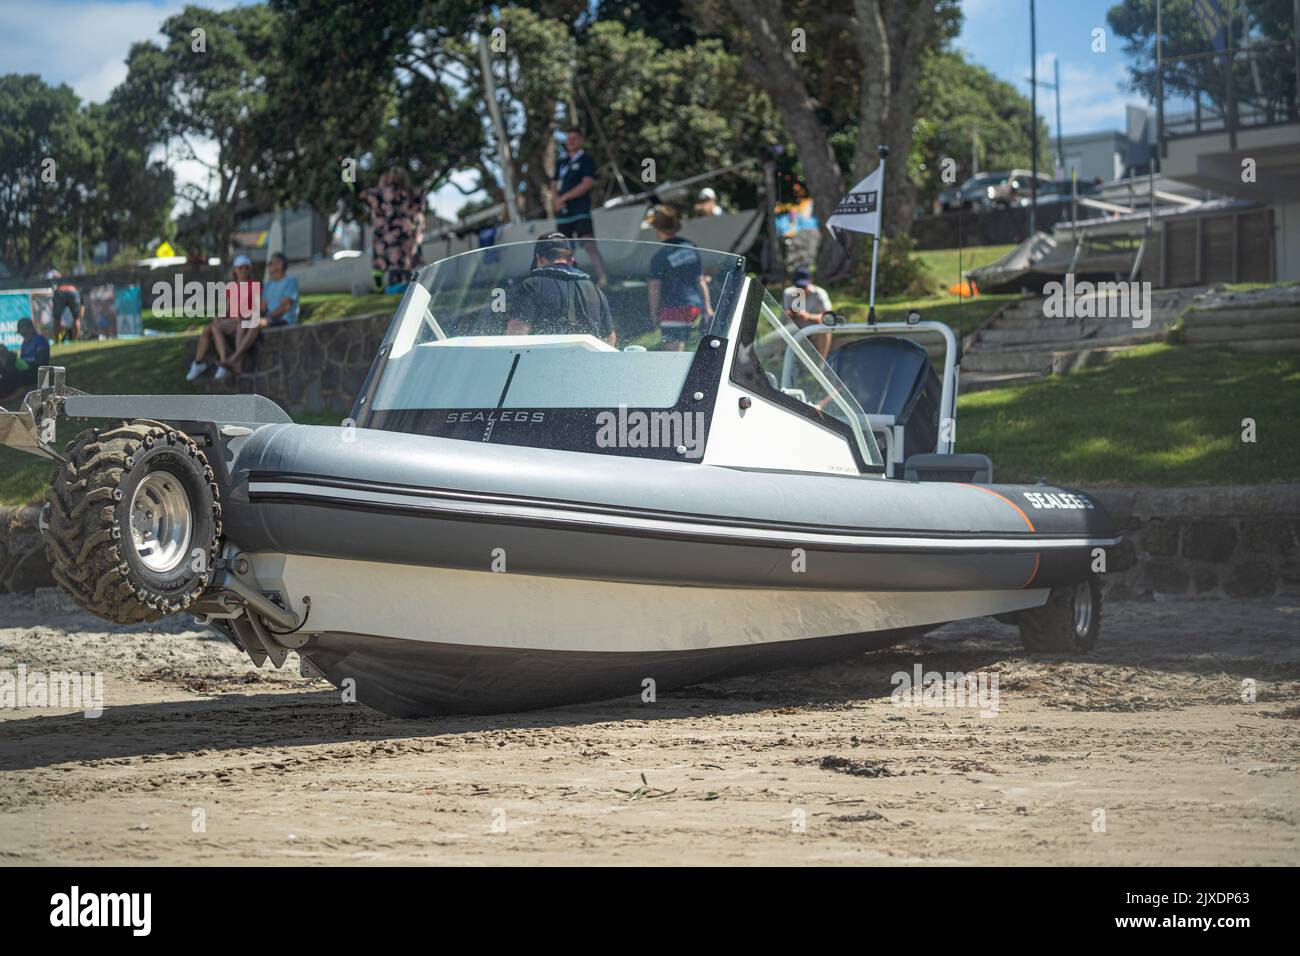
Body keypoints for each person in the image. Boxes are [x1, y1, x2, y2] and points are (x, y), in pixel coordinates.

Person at [509, 233, 615, 345]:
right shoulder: (595, 290)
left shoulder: (531, 286)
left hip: (544, 361)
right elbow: (609, 338)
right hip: (588, 361)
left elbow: (517, 335)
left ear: (539, 258)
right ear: (570, 260)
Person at [646, 205, 711, 352]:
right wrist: (707, 309)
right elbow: (700, 280)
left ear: (658, 229)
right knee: (680, 346)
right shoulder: (690, 246)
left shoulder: (660, 256)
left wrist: (654, 313)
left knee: (672, 355)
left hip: (673, 308)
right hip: (694, 307)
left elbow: (654, 287)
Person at [187, 255, 257, 382]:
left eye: (246, 268)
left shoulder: (253, 286)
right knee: (207, 329)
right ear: (235, 270)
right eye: (240, 268)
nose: (243, 271)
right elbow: (228, 309)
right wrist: (219, 317)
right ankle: (198, 363)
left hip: (240, 320)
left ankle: (223, 362)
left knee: (216, 328)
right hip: (231, 320)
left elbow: (253, 309)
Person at [224, 252, 299, 370]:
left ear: (280, 265)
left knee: (255, 323)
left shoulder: (290, 282)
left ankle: (235, 358)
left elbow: (285, 307)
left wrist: (265, 317)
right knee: (242, 324)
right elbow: (262, 307)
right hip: (269, 318)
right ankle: (238, 363)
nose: (268, 266)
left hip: (284, 319)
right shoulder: (269, 285)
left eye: (271, 263)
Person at [553, 129, 608, 287]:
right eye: (568, 139)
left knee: (589, 243)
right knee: (564, 248)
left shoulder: (586, 159)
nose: (571, 141)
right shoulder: (561, 162)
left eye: (574, 138)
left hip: (580, 209)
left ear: (581, 140)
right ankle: (564, 280)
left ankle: (603, 278)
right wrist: (556, 200)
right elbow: (553, 183)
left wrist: (564, 197)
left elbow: (586, 184)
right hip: (563, 212)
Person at [364, 167, 426, 291]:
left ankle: (396, 289)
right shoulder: (413, 192)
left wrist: (346, 165)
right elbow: (419, 209)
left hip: (391, 235)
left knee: (396, 265)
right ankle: (407, 290)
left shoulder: (383, 193)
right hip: (406, 233)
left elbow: (366, 196)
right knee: (405, 265)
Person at [782, 266, 833, 359]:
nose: (801, 289)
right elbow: (786, 314)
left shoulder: (820, 294)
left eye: (803, 286)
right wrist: (792, 314)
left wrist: (808, 316)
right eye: (798, 286)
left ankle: (821, 363)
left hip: (814, 330)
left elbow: (828, 317)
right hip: (794, 329)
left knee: (826, 330)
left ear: (810, 281)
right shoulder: (788, 293)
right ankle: (783, 361)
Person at [0, 318, 51, 401]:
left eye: (22, 332)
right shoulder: (25, 343)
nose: (22, 335)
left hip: (35, 372)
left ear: (29, 328)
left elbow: (42, 363)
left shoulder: (40, 340)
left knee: (7, 356)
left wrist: (23, 363)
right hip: (25, 370)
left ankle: (19, 391)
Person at [48, 271, 83, 344]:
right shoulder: (72, 278)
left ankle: (57, 342)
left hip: (61, 292)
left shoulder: (57, 281)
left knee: (57, 319)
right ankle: (75, 341)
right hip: (73, 291)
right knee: (76, 318)